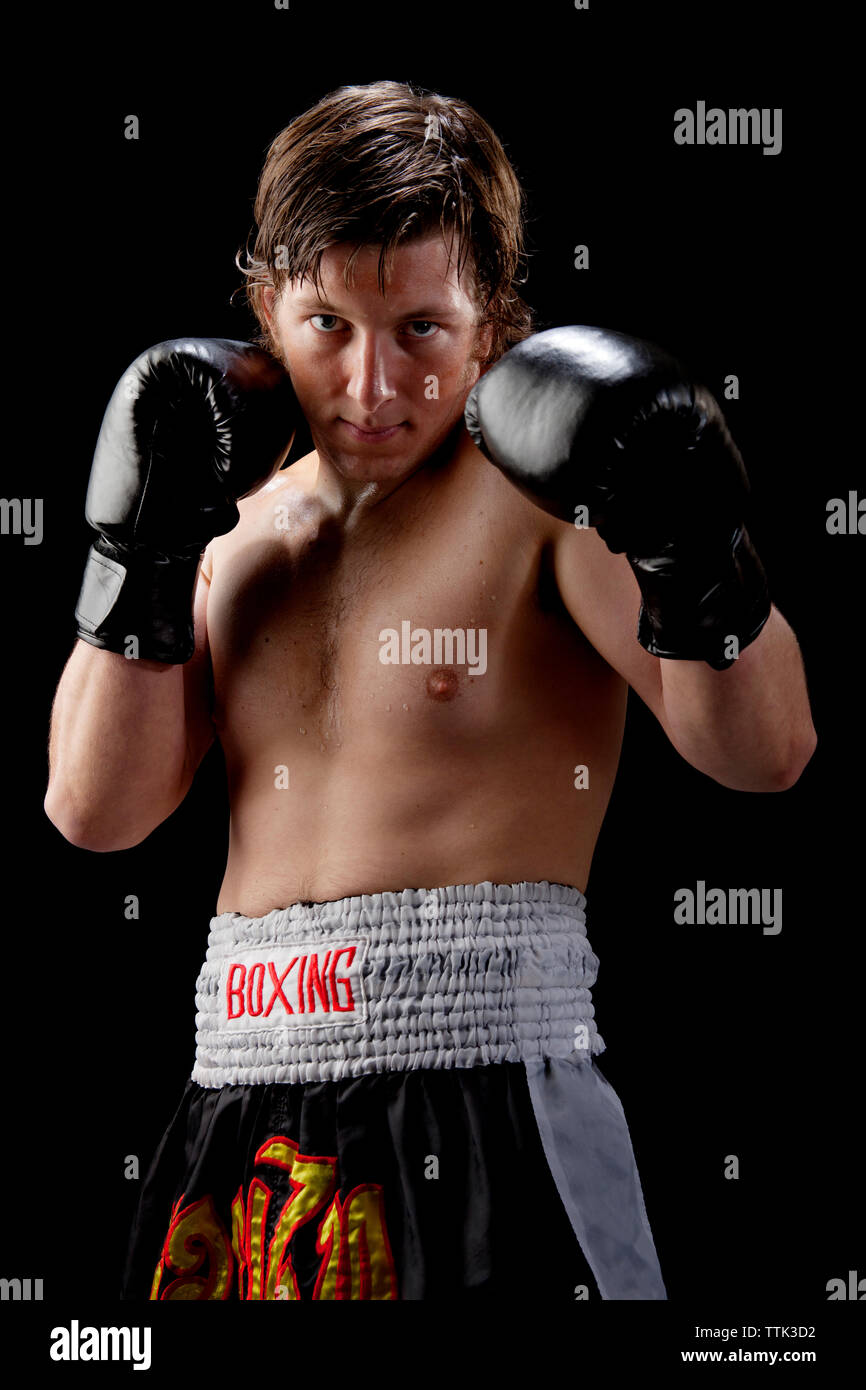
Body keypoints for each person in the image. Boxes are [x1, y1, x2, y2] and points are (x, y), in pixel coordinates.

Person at [43, 80, 816, 1301]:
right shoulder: (226, 533)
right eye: (326, 326)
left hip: (488, 1098)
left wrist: (694, 553)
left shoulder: (543, 512)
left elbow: (763, 751)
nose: (369, 387)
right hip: (237, 1115)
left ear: (496, 322)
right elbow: (97, 810)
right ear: (261, 310)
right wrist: (136, 564)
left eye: (419, 330)